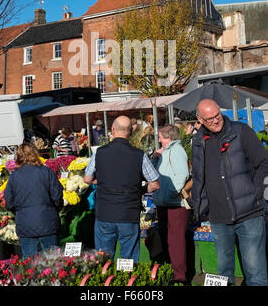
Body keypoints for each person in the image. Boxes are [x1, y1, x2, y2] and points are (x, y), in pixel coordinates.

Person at [192, 99, 268, 286]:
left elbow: (263, 162)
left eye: (217, 115)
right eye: (210, 119)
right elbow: (198, 176)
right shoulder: (198, 141)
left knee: (255, 271)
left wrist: (256, 191)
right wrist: (199, 205)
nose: (216, 121)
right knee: (223, 272)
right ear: (199, 119)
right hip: (218, 216)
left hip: (248, 212)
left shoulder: (240, 131)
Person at [84, 115, 160, 262]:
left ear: (112, 130)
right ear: (130, 132)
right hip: (128, 213)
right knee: (128, 261)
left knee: (103, 260)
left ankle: (104, 282)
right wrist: (140, 189)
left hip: (105, 212)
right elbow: (155, 184)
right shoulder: (139, 155)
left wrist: (104, 182)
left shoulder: (99, 152)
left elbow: (87, 179)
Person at [4, 143, 63, 258]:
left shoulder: (14, 176)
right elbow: (57, 196)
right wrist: (54, 209)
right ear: (35, 154)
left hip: (25, 224)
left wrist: (20, 212)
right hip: (47, 222)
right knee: (54, 264)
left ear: (19, 157)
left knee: (30, 266)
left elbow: (9, 202)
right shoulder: (47, 172)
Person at [151, 124, 191, 284]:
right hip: (165, 203)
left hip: (175, 204)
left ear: (168, 137)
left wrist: (170, 194)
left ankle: (180, 276)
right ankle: (172, 270)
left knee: (176, 240)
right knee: (168, 238)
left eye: (160, 136)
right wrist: (154, 156)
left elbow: (182, 174)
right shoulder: (165, 152)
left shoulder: (177, 151)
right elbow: (151, 172)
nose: (158, 139)